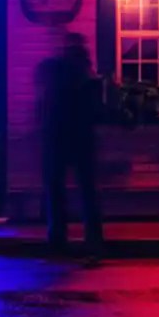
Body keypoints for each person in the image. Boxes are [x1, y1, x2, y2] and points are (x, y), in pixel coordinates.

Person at [37, 32, 104, 258]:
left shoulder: (56, 71)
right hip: (82, 137)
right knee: (87, 191)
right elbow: (96, 109)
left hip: (58, 136)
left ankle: (57, 237)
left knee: (56, 190)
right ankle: (93, 239)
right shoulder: (87, 74)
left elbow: (46, 102)